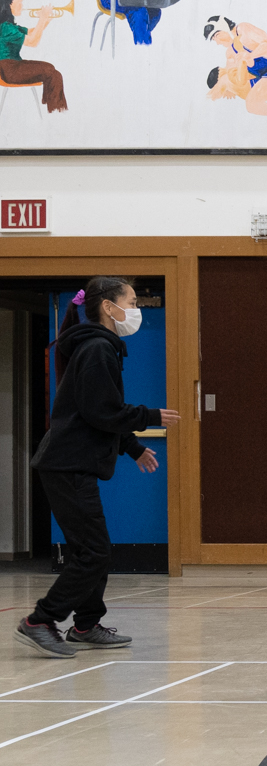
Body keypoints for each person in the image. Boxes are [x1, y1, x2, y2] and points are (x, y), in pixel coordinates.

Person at [14, 279, 180, 658]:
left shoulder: (99, 347)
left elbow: (94, 412)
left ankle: (86, 624)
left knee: (90, 549)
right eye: (132, 301)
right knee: (95, 551)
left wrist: (134, 447)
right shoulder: (96, 349)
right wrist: (148, 417)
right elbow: (100, 412)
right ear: (108, 307)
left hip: (72, 463)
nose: (136, 309)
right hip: (67, 465)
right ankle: (40, 621)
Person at [0, 0, 69, 111]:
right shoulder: (5, 28)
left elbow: (31, 32)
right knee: (52, 73)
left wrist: (45, 20)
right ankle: (55, 111)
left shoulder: (9, 26)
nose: (22, 6)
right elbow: (32, 42)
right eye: (19, 3)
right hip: (9, 70)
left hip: (14, 66)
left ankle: (53, 109)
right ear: (8, 4)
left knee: (53, 72)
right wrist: (42, 19)